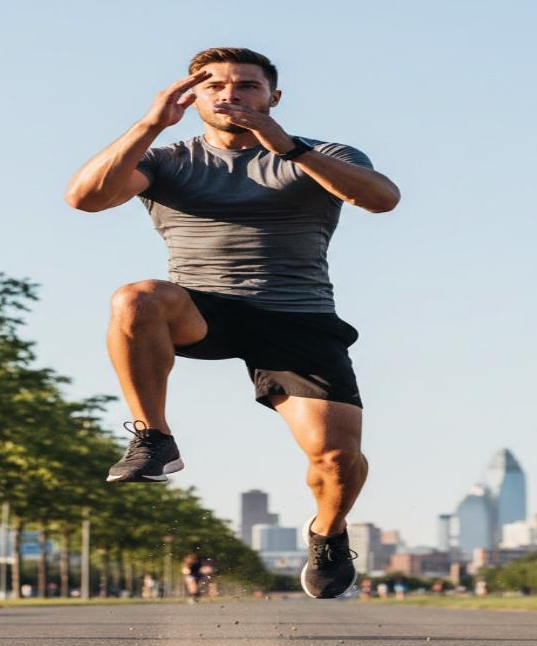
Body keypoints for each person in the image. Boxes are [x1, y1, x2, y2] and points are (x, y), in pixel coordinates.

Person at [65, 47, 399, 599]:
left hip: (297, 317)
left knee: (337, 460)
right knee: (135, 299)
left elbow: (383, 200)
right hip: (202, 308)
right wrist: (149, 123)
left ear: (273, 97)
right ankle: (153, 439)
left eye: (246, 85)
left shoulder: (322, 153)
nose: (230, 94)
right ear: (193, 95)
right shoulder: (169, 159)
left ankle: (329, 532)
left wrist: (288, 146)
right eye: (214, 84)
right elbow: (84, 199)